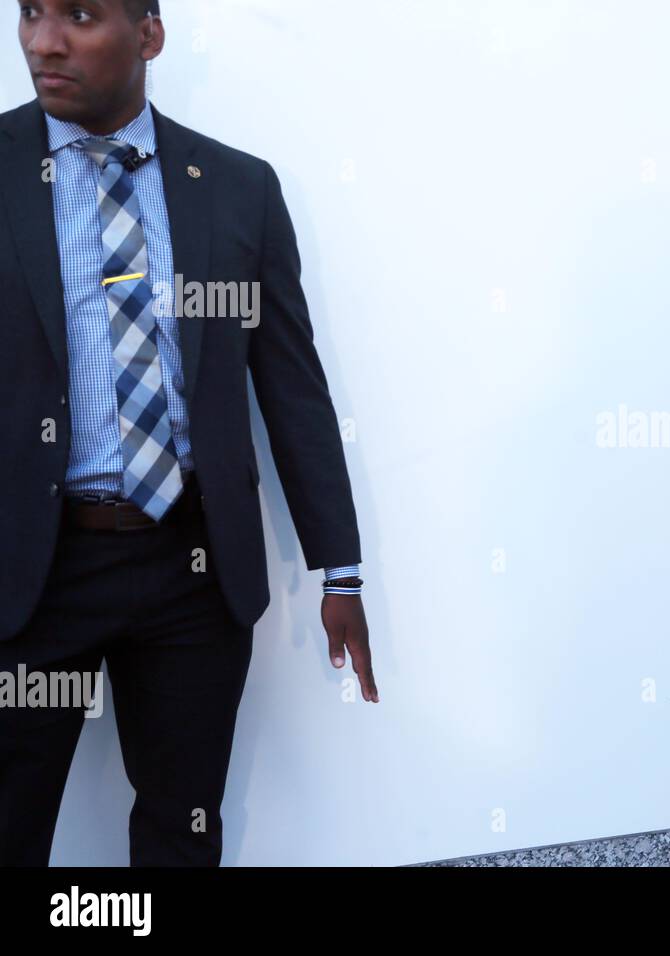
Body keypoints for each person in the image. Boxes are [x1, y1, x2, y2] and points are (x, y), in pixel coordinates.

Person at [0, 0, 377, 867]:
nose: (43, 41)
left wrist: (341, 568)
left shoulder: (237, 186)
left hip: (191, 576)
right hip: (32, 572)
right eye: (30, 13)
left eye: (80, 15)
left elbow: (291, 386)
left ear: (150, 36)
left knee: (182, 828)